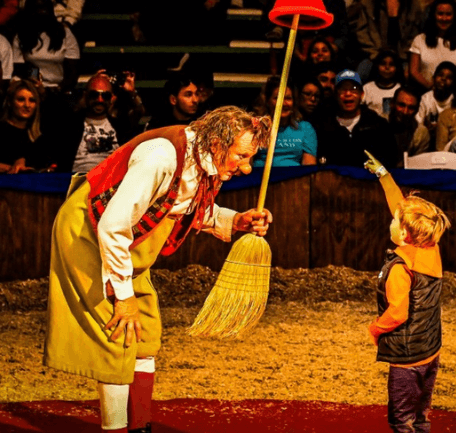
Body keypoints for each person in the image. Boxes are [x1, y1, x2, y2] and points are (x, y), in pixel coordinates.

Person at [43, 106, 274, 433]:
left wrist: (233, 220)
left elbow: (181, 206)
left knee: (146, 333)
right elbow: (112, 225)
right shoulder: (161, 157)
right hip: (89, 234)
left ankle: (139, 426)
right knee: (118, 334)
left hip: (129, 242)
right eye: (241, 155)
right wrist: (123, 297)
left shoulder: (199, 156)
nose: (247, 167)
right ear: (217, 144)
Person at [364, 150, 450, 433]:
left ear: (404, 235)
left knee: (401, 421)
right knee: (421, 416)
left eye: (394, 221)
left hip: (407, 357)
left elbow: (398, 312)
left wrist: (376, 329)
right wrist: (383, 174)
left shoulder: (400, 266)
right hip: (430, 351)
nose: (390, 219)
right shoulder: (431, 248)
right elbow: (400, 207)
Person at [50, 71, 145, 173]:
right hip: (78, 180)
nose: (100, 100)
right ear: (86, 95)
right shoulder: (70, 124)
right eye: (94, 94)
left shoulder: (120, 125)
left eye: (105, 96)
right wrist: (92, 82)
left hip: (110, 181)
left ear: (112, 98)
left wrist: (132, 93)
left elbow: (139, 112)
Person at [316, 69, 399, 167]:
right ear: (335, 94)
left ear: (362, 94)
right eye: (343, 89)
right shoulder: (322, 125)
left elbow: (390, 162)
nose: (348, 94)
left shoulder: (378, 125)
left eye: (354, 89)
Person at [0, 79, 48, 174]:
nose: (27, 105)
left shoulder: (38, 134)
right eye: (21, 99)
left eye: (32, 100)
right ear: (10, 102)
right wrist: (13, 168)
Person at [12, 0, 81, 94]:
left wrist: (57, 90)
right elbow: (19, 69)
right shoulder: (21, 36)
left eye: (43, 8)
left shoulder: (65, 34)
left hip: (59, 90)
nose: (40, 12)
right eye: (36, 9)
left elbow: (72, 72)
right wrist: (36, 87)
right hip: (31, 89)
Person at [252, 77, 317, 166]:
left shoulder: (305, 128)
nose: (283, 103)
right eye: (277, 98)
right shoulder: (255, 127)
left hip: (294, 178)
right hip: (260, 177)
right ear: (267, 101)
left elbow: (309, 166)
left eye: (288, 98)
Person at [408, 0, 456, 90]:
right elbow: (413, 71)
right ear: (433, 15)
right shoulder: (420, 39)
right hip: (423, 92)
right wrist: (431, 88)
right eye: (440, 14)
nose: (444, 18)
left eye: (448, 14)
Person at [388, 86, 430, 164]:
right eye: (401, 105)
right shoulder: (377, 125)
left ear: (417, 110)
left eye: (411, 108)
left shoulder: (421, 133)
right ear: (392, 104)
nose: (405, 112)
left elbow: (418, 166)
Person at [417, 61, 456, 136]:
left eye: (449, 77)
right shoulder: (426, 98)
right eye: (440, 75)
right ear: (433, 78)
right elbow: (419, 123)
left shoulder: (455, 100)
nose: (444, 79)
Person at [362, 49, 403, 119]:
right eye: (383, 64)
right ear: (377, 66)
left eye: (391, 64)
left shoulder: (400, 89)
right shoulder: (367, 88)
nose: (387, 67)